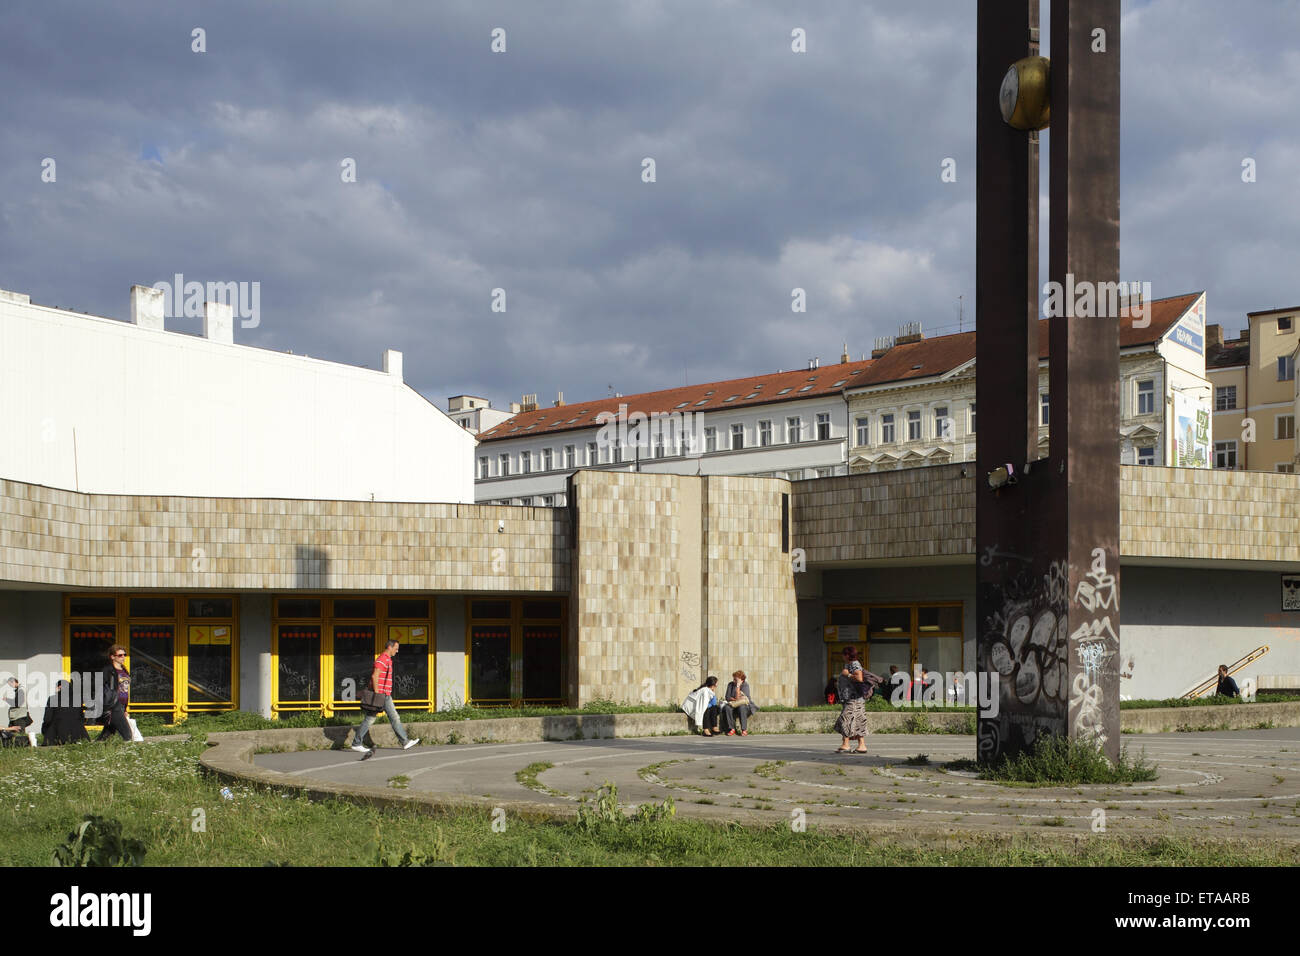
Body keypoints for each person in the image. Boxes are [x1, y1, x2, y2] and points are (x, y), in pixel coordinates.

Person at [351, 640, 420, 754]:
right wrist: (378, 693)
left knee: (372, 718)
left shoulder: (387, 659)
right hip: (382, 695)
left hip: (384, 694)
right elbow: (375, 676)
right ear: (389, 647)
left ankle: (357, 743)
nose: (397, 651)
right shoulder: (382, 659)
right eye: (396, 648)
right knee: (392, 718)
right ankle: (404, 741)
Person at [834, 646, 869, 754]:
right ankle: (861, 745)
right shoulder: (849, 664)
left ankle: (846, 745)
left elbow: (859, 678)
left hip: (853, 699)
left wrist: (847, 674)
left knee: (845, 719)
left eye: (844, 654)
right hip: (853, 699)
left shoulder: (854, 664)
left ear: (848, 655)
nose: (842, 656)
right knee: (858, 721)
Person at [98, 645, 133, 742]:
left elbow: (125, 690)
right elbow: (100, 687)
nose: (123, 657)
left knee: (108, 733)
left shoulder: (124, 670)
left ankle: (94, 749)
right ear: (112, 656)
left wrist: (125, 708)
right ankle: (130, 752)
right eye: (120, 655)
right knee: (128, 734)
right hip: (113, 706)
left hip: (121, 705)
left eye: (124, 655)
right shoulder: (108, 670)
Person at [42, 680, 90, 745]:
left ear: (60, 687)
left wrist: (44, 730)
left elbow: (47, 718)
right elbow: (82, 718)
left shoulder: (53, 699)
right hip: (78, 735)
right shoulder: (78, 699)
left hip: (58, 735)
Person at [721, 670, 758, 736]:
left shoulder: (745, 685)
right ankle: (732, 728)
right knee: (727, 707)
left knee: (742, 707)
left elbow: (742, 699)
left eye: (736, 679)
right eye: (734, 679)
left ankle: (744, 729)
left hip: (744, 705)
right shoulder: (730, 684)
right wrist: (735, 699)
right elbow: (727, 697)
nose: (734, 681)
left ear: (741, 680)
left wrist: (738, 686)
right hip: (733, 704)